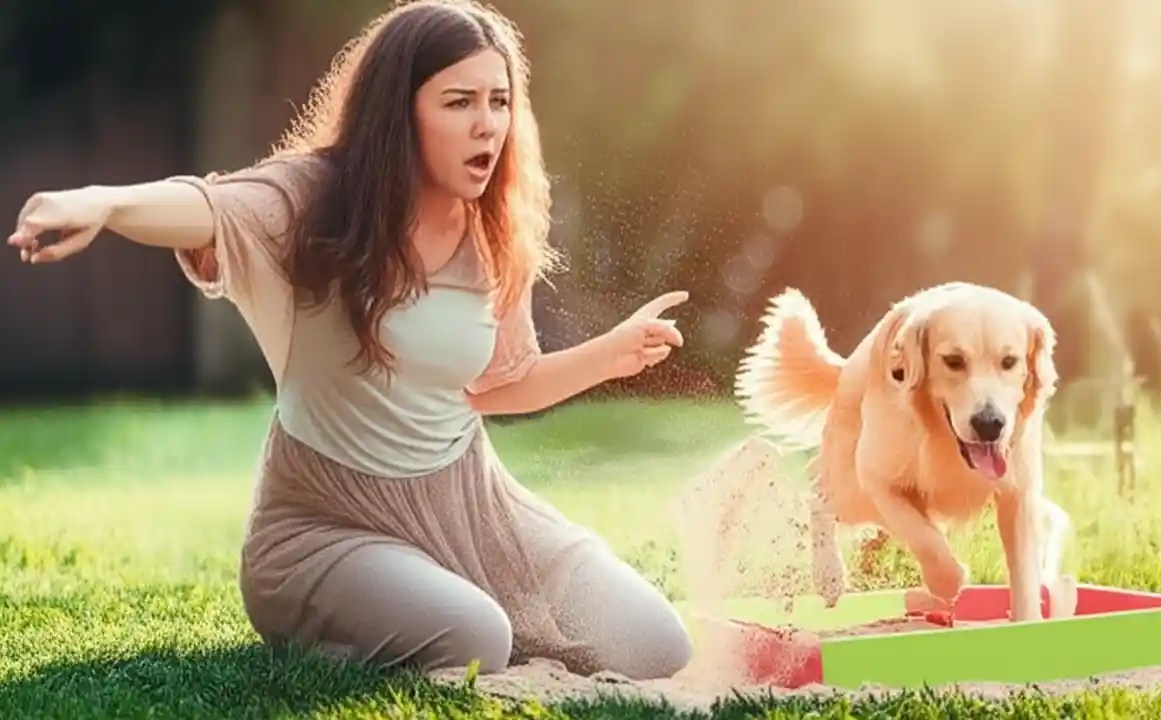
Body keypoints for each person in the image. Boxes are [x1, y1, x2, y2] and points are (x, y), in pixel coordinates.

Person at [8, 0, 693, 680]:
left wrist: (613, 353)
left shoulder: (491, 229)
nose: (488, 125)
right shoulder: (315, 200)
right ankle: (336, 622)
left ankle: (435, 599)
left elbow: (497, 386)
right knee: (477, 635)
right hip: (322, 531)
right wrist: (103, 202)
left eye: (499, 100)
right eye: (458, 102)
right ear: (400, 112)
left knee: (654, 644)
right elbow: (207, 208)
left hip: (474, 512)